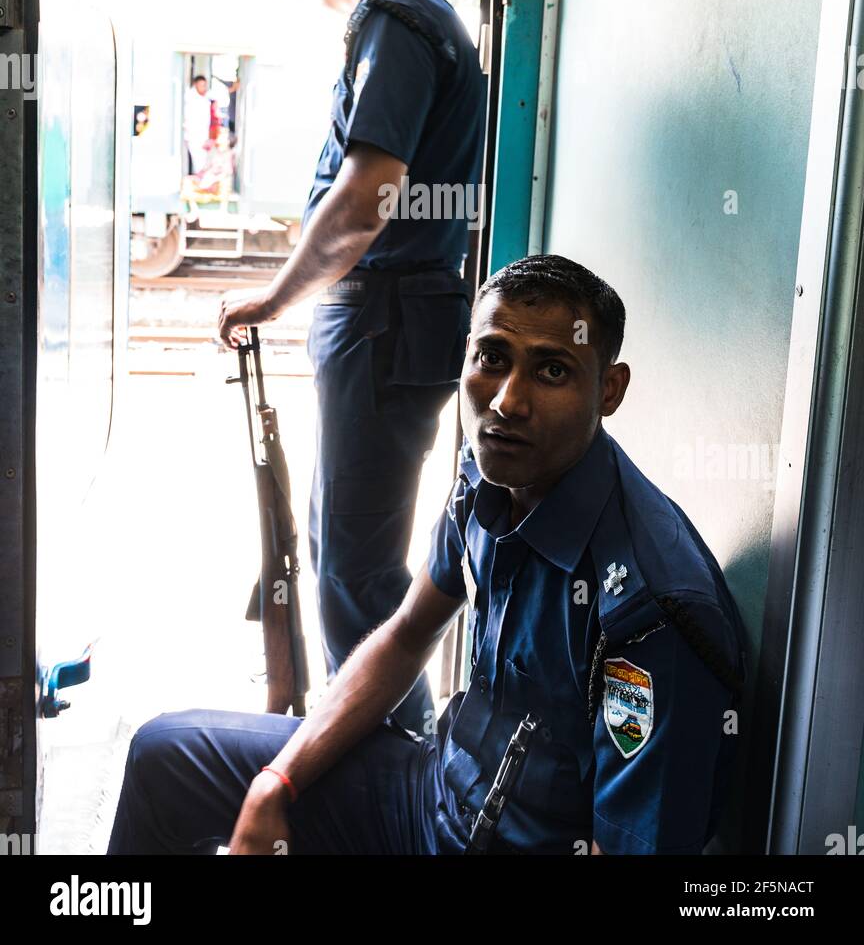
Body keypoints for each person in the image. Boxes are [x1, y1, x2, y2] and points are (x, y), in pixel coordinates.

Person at [109, 254, 747, 856]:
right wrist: (280, 780)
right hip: (430, 793)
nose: (506, 402)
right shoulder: (488, 477)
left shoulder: (652, 610)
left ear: (609, 390)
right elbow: (407, 634)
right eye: (492, 358)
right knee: (165, 755)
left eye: (552, 370)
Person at [216, 0, 486, 736]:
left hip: (383, 319)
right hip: (392, 319)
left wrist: (275, 295)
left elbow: (370, 189)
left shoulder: (397, 17)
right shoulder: (419, 17)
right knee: (346, 556)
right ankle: (385, 758)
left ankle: (394, 767)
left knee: (354, 574)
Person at [183, 73, 214, 175]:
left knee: (202, 162)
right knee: (199, 162)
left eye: (205, 85)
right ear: (195, 85)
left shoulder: (204, 97)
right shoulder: (190, 98)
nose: (204, 88)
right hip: (194, 135)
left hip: (202, 135)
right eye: (201, 85)